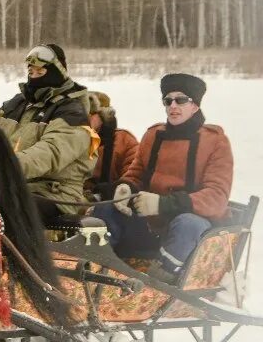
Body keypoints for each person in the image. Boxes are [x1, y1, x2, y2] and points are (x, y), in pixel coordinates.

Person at [96, 73, 234, 283]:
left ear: (195, 105)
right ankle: (97, 268)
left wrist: (163, 204)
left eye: (181, 100)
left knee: (187, 224)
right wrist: (125, 186)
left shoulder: (216, 142)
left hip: (189, 225)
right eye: (168, 100)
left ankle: (160, 281)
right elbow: (136, 172)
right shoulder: (153, 135)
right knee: (106, 209)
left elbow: (216, 197)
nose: (173, 106)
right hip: (150, 223)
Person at [0, 43, 97, 225]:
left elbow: (49, 153)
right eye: (31, 72)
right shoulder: (14, 105)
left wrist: (6, 165)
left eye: (40, 73)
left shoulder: (72, 113)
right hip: (11, 187)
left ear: (58, 73)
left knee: (3, 211)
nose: (33, 78)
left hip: (54, 193)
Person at [83, 90, 138, 200]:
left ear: (103, 116)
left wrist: (101, 194)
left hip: (109, 202)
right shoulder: (71, 139)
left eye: (91, 114)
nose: (85, 119)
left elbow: (133, 179)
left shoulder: (125, 141)